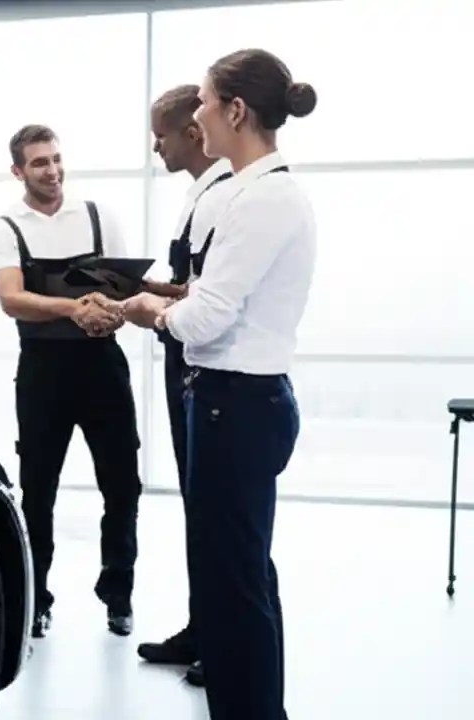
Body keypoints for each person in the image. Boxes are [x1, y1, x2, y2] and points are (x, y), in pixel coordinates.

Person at [123, 48, 317, 720]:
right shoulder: (250, 192)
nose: (197, 112)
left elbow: (204, 317)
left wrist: (151, 310)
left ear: (235, 110)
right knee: (241, 579)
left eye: (204, 100)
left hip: (236, 407)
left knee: (234, 588)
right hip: (234, 405)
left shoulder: (262, 199)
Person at [0, 124, 143, 638]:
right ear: (18, 171)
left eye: (56, 159)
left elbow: (126, 291)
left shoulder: (98, 217)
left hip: (102, 366)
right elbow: (12, 298)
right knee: (38, 491)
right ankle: (37, 598)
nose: (51, 171)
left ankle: (118, 594)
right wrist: (74, 308)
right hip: (42, 371)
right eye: (38, 163)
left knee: (123, 485)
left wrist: (110, 311)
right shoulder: (6, 227)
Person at [134, 84, 236, 688]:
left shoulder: (226, 199)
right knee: (200, 509)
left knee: (216, 515)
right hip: (187, 359)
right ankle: (205, 629)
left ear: (193, 133)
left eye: (162, 134)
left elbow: (209, 299)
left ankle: (220, 642)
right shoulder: (200, 196)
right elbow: (193, 285)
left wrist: (152, 302)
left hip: (206, 368)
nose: (155, 146)